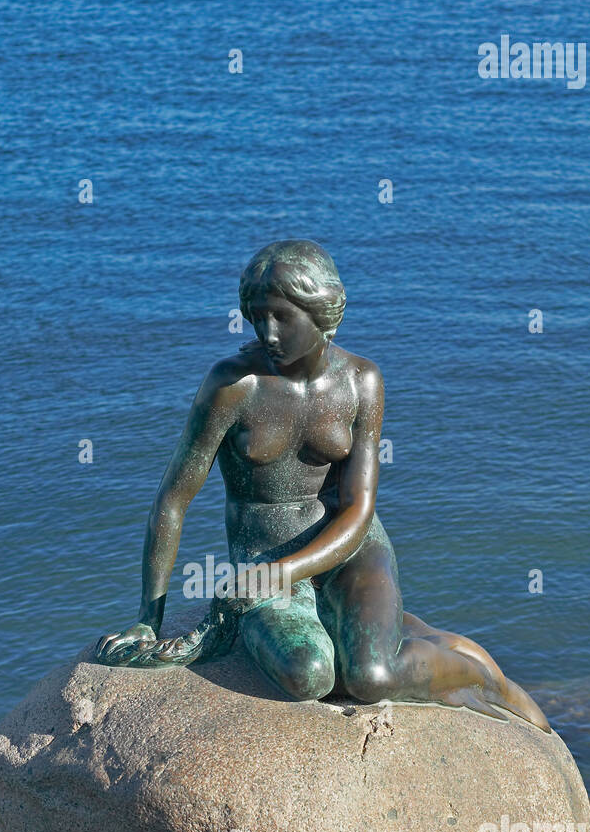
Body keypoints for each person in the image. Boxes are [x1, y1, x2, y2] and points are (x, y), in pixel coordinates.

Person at [96, 239, 549, 731]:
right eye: (256, 316)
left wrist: (285, 573)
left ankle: (482, 677)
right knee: (310, 675)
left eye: (282, 317)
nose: (267, 332)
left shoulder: (361, 381)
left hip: (351, 548)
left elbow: (358, 510)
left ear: (324, 313)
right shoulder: (233, 386)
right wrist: (149, 617)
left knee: (371, 676)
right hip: (264, 557)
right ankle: (387, 628)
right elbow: (173, 500)